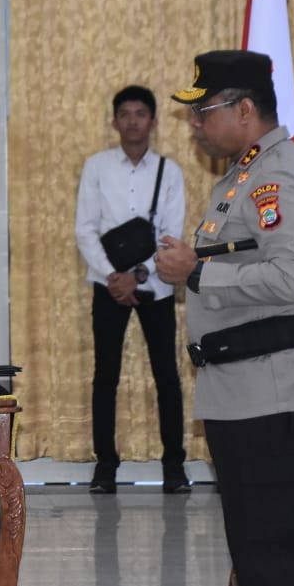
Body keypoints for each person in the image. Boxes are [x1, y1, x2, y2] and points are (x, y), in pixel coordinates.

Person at [155, 50, 294, 586]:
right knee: (257, 561)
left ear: (245, 108)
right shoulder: (245, 175)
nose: (195, 124)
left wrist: (197, 273)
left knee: (274, 565)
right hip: (245, 393)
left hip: (271, 396)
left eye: (203, 110)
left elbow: (293, 280)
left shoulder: (276, 177)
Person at [74, 85, 189, 495]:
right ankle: (105, 466)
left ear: (154, 121)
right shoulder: (97, 167)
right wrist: (113, 278)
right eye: (125, 114)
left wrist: (137, 276)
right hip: (107, 286)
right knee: (105, 376)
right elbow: (84, 229)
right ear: (114, 120)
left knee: (167, 377)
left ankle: (174, 466)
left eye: (141, 114)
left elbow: (171, 235)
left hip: (155, 286)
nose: (133, 121)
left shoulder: (169, 171)